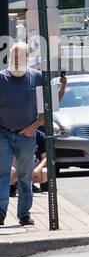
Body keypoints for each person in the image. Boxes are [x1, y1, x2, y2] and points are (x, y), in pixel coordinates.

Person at [0, 42, 43, 228]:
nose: (16, 61)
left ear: (28, 59)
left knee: (25, 176)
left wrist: (34, 127)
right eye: (14, 57)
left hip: (27, 135)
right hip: (4, 133)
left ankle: (24, 214)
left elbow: (47, 110)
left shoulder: (37, 78)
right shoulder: (1, 78)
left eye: (20, 57)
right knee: (2, 174)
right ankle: (0, 213)